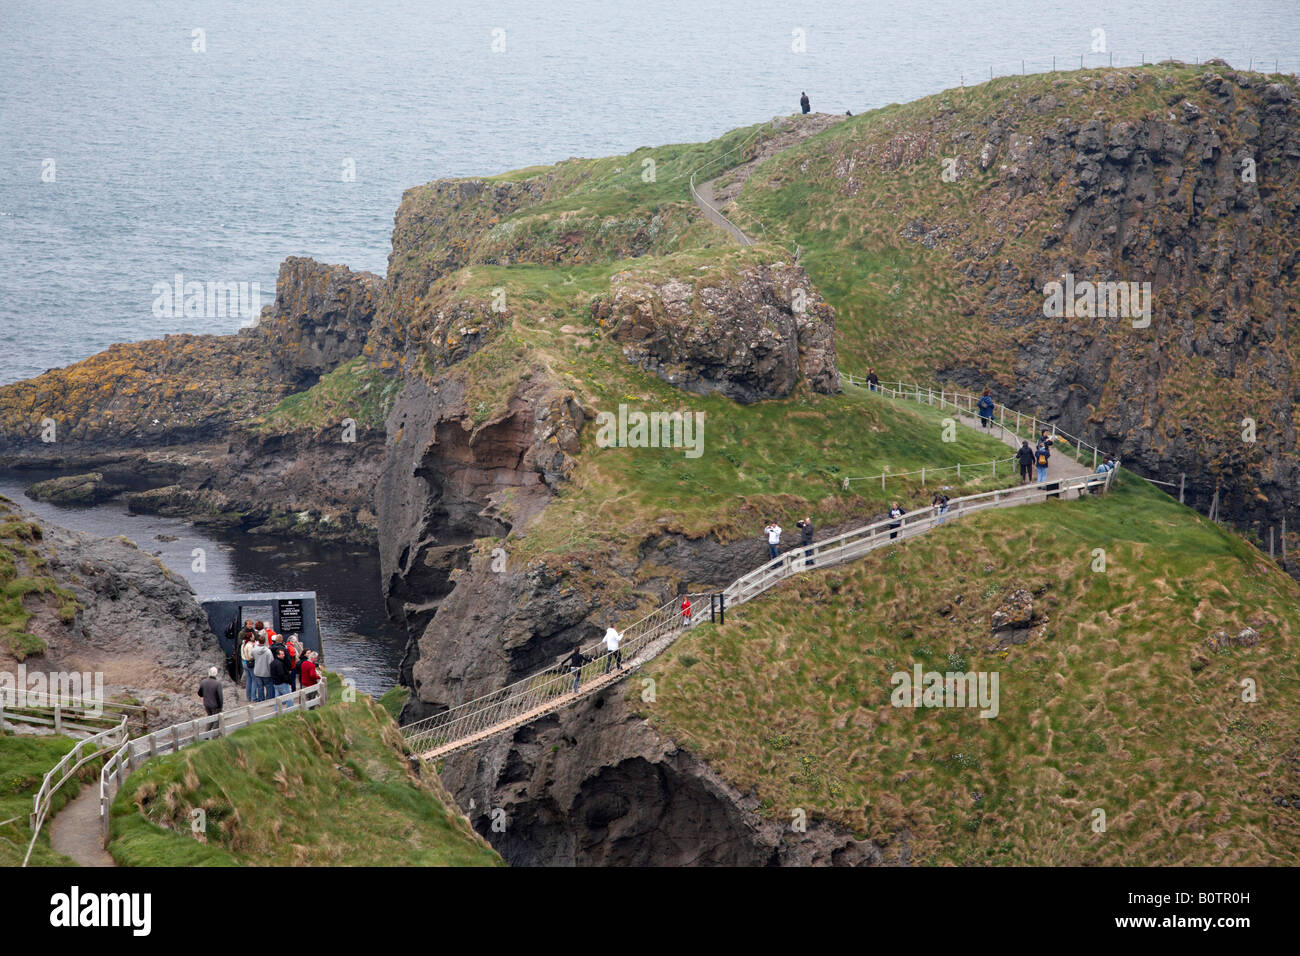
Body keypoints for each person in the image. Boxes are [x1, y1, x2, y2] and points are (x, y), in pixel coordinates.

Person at [251, 636, 273, 702]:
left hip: (257, 671)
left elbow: (252, 656)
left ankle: (261, 700)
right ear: (265, 641)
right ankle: (269, 700)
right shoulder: (268, 651)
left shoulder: (254, 650)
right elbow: (271, 662)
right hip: (266, 672)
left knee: (260, 687)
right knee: (268, 687)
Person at [239, 628, 257, 701]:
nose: (253, 637)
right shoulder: (249, 645)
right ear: (250, 637)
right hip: (250, 663)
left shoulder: (243, 644)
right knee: (254, 680)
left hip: (244, 662)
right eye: (252, 636)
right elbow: (250, 656)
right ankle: (253, 697)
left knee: (248, 680)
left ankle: (248, 697)